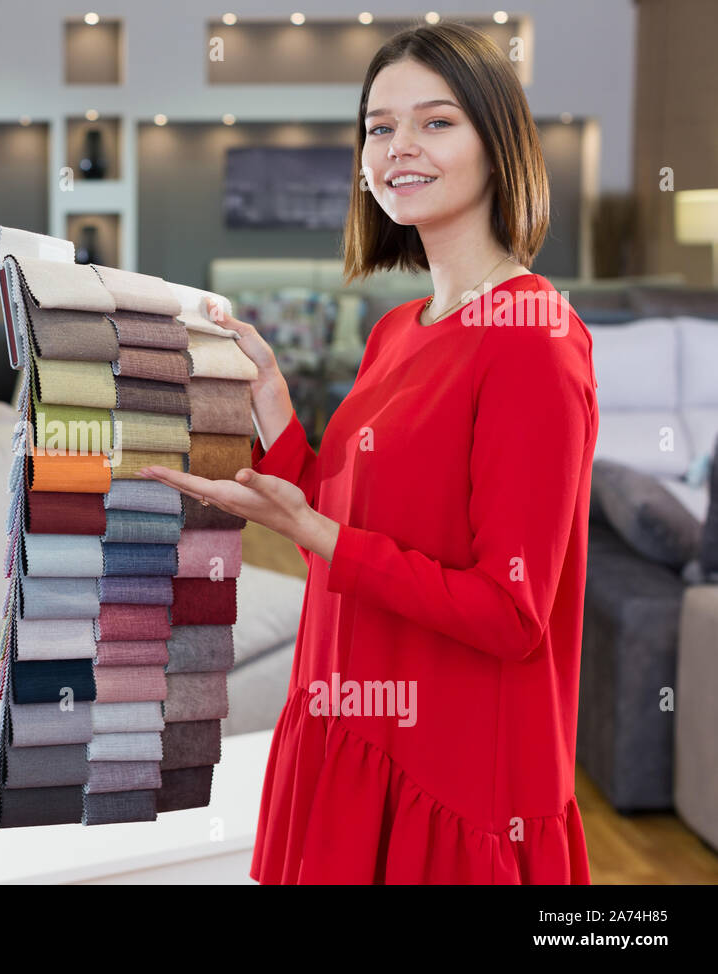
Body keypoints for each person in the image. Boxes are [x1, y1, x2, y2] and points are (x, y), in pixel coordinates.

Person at [139, 21, 599, 884]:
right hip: (347, 723)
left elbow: (511, 613)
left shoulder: (535, 340)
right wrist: (276, 412)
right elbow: (353, 516)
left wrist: (318, 537)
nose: (398, 148)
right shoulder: (399, 328)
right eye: (379, 127)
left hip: (451, 773)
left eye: (435, 122)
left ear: (500, 146)